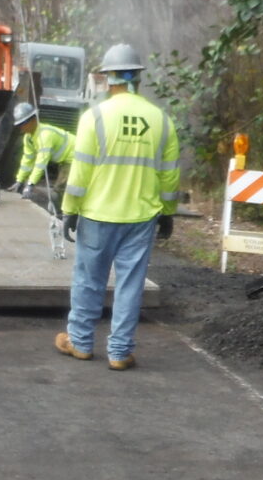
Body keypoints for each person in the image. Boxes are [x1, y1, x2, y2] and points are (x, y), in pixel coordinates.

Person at [53, 43, 179, 371]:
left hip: (97, 214)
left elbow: (80, 171)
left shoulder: (94, 117)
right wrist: (167, 214)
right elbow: (169, 176)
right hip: (140, 217)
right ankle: (120, 352)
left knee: (88, 280)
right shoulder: (161, 120)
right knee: (130, 284)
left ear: (108, 79)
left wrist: (70, 209)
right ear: (138, 77)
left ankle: (80, 343)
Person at [9, 101, 71, 205]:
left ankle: (62, 216)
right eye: (19, 125)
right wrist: (19, 180)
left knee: (59, 190)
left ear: (33, 120)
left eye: (23, 124)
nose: (21, 128)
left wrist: (30, 184)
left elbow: (40, 164)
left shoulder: (45, 135)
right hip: (64, 160)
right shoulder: (28, 138)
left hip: (74, 158)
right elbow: (27, 161)